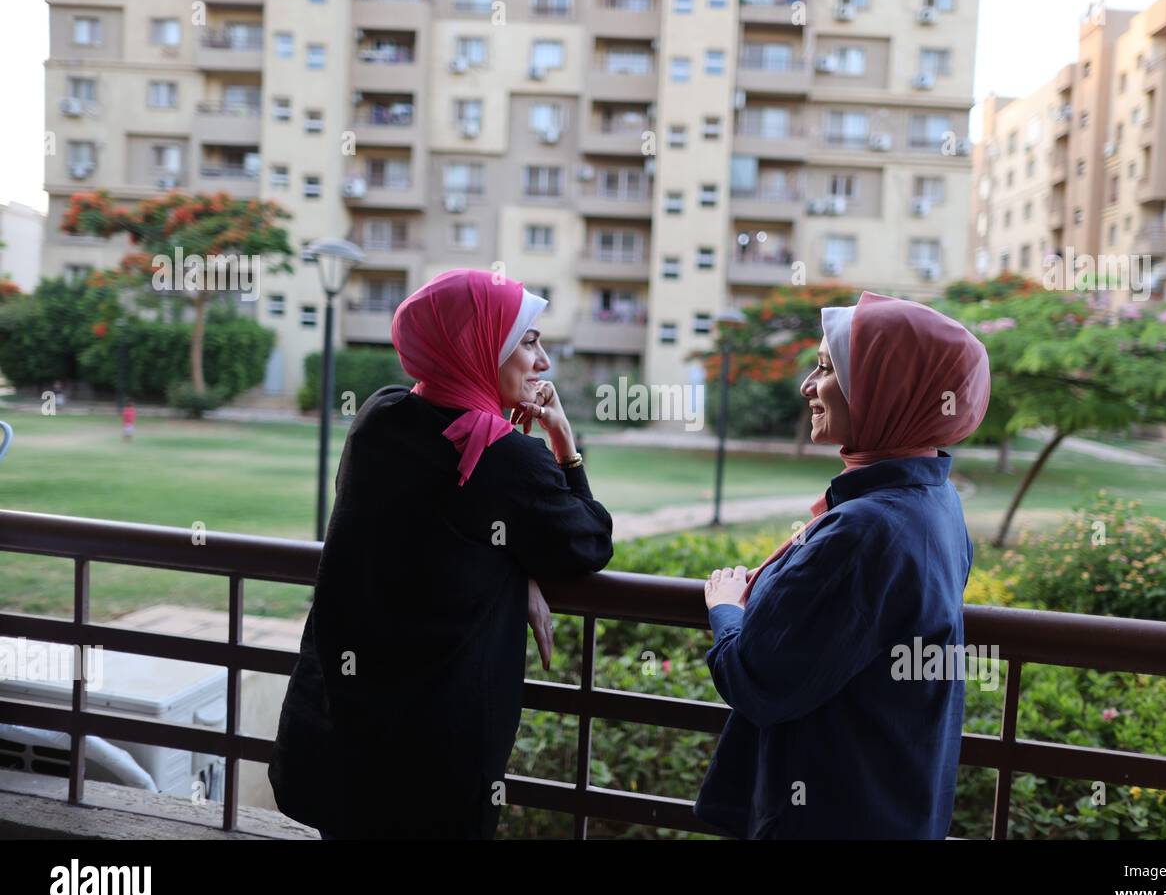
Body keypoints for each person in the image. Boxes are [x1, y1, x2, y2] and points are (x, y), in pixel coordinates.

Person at [269, 268, 614, 839]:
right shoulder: (505, 461)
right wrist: (565, 449)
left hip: (341, 730)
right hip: (433, 758)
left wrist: (512, 563)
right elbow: (588, 543)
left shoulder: (379, 416)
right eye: (528, 341)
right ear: (476, 346)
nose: (544, 362)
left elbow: (432, 528)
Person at [695, 290, 991, 839]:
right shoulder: (937, 501)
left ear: (889, 390)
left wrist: (727, 609)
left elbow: (758, 678)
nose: (808, 385)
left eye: (826, 369)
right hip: (895, 802)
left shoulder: (864, 529)